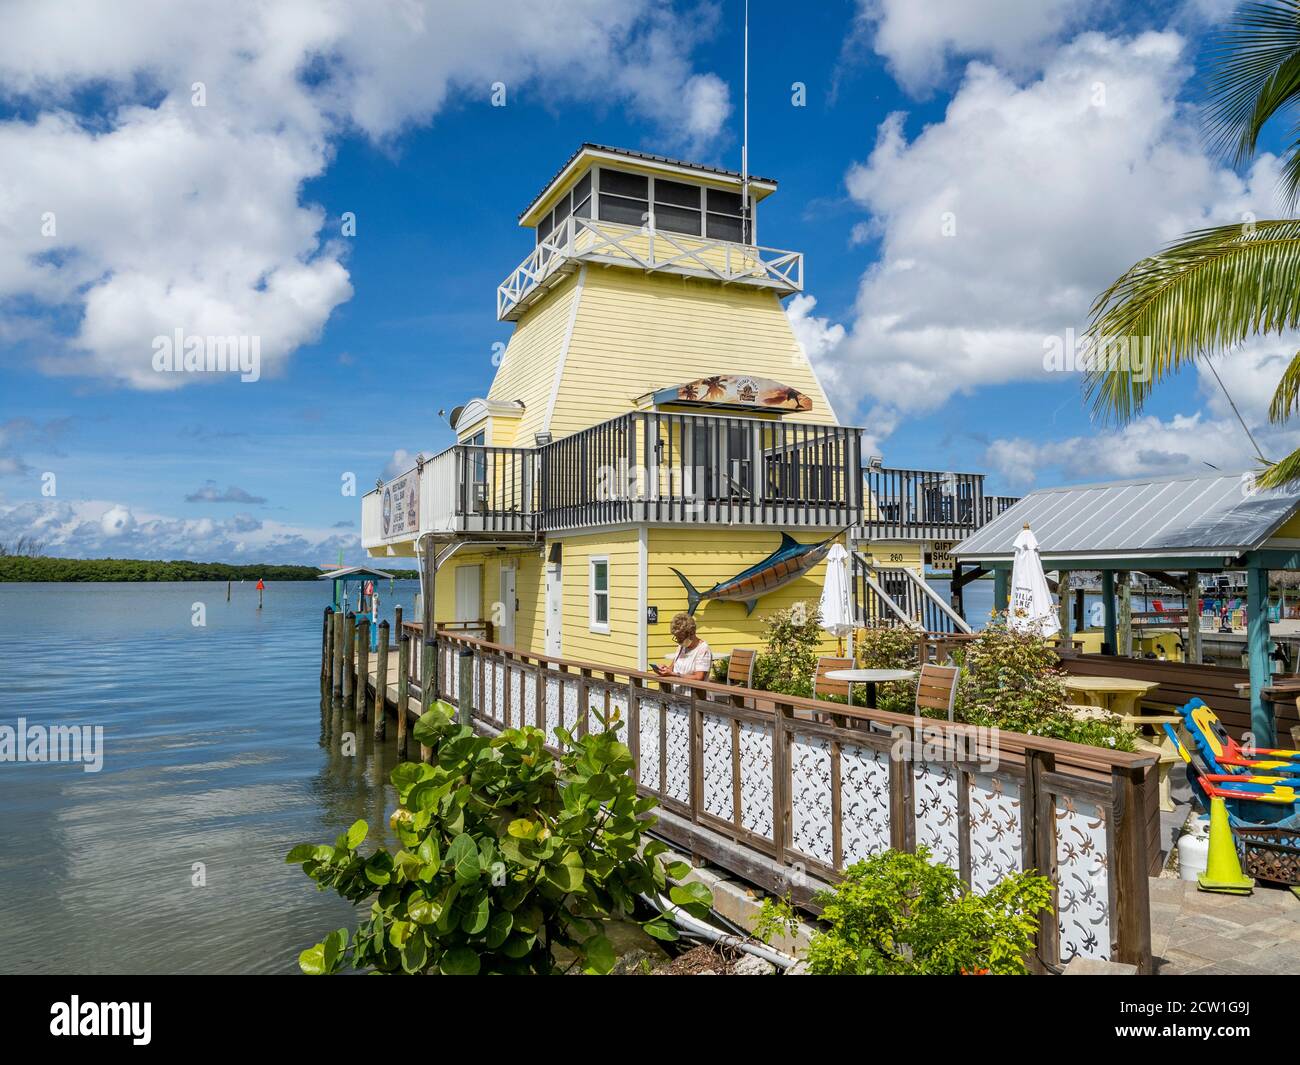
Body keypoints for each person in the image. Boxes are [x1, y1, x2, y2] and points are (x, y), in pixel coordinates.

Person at [652, 612, 713, 681]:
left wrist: (674, 674)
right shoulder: (681, 646)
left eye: (680, 638)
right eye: (676, 638)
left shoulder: (703, 649)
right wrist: (664, 669)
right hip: (676, 690)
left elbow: (699, 677)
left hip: (693, 691)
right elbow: (672, 669)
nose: (678, 641)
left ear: (691, 633)